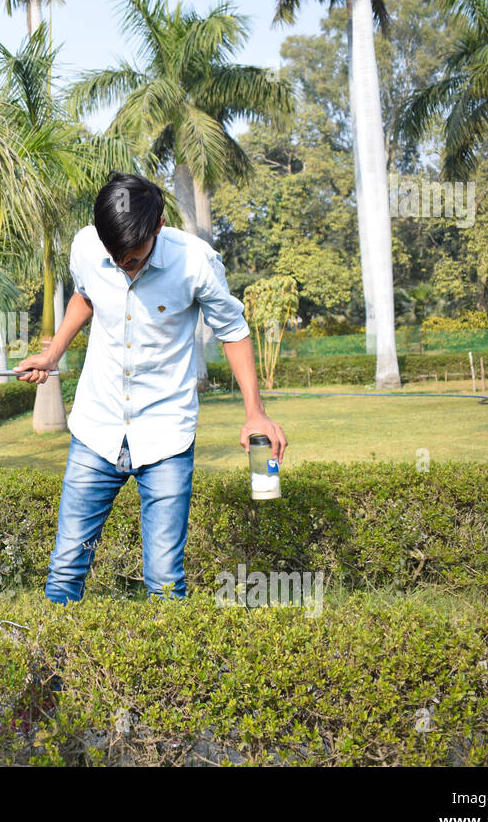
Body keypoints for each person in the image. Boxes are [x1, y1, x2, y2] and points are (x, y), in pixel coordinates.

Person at [15, 172, 287, 603]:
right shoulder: (87, 245)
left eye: (134, 258)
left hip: (165, 434)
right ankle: (51, 669)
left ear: (159, 226)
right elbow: (85, 295)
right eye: (114, 254)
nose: (122, 265)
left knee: (163, 580)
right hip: (96, 427)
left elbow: (233, 329)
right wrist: (51, 356)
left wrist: (255, 411)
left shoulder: (195, 262)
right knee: (66, 567)